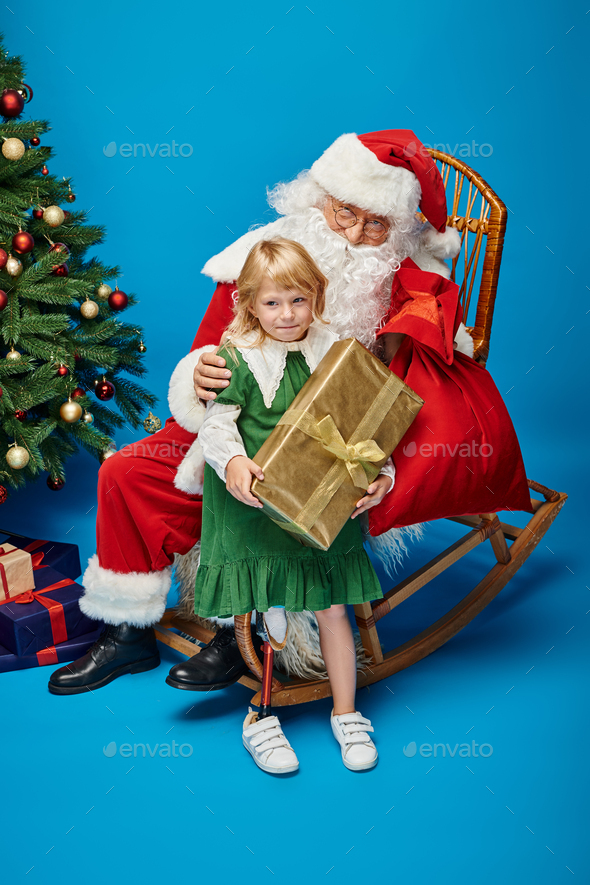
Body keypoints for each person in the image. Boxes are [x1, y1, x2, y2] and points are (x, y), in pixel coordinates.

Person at [48, 129, 473, 696]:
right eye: (344, 213)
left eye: (376, 225)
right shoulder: (263, 257)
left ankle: (239, 631)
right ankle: (127, 632)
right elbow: (207, 351)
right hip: (233, 423)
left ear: (399, 231)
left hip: (328, 450)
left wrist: (379, 468)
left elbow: (418, 402)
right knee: (127, 471)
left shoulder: (411, 294)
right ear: (317, 198)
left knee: (277, 502)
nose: (354, 235)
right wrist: (199, 375)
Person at [188, 237, 394, 773]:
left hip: (323, 504)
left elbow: (367, 425)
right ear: (250, 303)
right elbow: (216, 425)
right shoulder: (238, 357)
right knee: (267, 610)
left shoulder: (337, 351)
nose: (286, 315)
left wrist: (382, 477)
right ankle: (261, 715)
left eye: (298, 301)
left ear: (317, 298)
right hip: (258, 507)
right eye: (272, 302)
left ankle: (347, 714)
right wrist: (232, 462)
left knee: (332, 609)